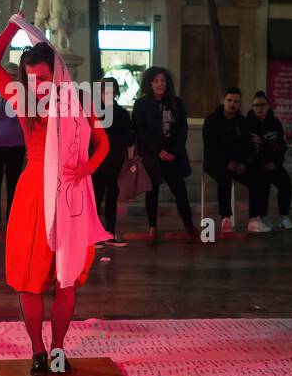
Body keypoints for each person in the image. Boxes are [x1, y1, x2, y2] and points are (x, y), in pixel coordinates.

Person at [0, 15, 110, 376]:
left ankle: (58, 349)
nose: (36, 83)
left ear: (56, 72)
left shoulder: (78, 100)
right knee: (29, 277)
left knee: (66, 280)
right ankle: (38, 351)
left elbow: (103, 144)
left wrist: (87, 168)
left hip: (70, 194)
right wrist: (13, 25)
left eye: (42, 75)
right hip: (34, 194)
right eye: (31, 76)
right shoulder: (24, 101)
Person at [132, 67, 196, 245]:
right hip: (153, 156)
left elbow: (182, 129)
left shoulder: (176, 103)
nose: (160, 84)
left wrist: (172, 151)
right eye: (156, 81)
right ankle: (152, 228)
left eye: (163, 81)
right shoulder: (141, 104)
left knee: (180, 192)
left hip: (173, 156)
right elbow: (140, 132)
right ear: (149, 83)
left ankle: (189, 227)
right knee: (152, 192)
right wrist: (158, 151)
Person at [203, 88, 265, 234]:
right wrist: (227, 163)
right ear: (223, 101)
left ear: (240, 103)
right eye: (229, 100)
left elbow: (248, 146)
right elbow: (211, 147)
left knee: (256, 177)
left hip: (237, 163)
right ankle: (226, 218)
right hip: (215, 162)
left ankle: (254, 219)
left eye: (236, 101)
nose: (232, 104)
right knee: (224, 179)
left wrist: (243, 163)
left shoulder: (242, 122)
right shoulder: (212, 120)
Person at [91, 77, 134, 247]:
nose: (107, 95)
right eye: (104, 92)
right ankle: (94, 234)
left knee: (111, 198)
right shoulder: (93, 111)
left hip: (114, 162)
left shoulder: (121, 113)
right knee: (96, 197)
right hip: (97, 162)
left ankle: (109, 232)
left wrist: (111, 138)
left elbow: (130, 137)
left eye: (110, 91)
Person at [0, 66, 26, 231]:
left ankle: (12, 218)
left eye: (14, 76)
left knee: (13, 185)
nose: (10, 78)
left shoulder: (22, 95)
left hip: (16, 145)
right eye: (8, 75)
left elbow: (25, 117)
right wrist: (1, 97)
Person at [248, 90, 292, 230]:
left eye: (262, 104)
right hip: (256, 164)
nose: (259, 108)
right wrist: (261, 162)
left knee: (286, 182)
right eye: (256, 105)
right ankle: (259, 217)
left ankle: (284, 217)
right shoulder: (248, 124)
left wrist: (274, 162)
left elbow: (282, 146)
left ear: (268, 106)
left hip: (273, 163)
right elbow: (247, 148)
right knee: (261, 183)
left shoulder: (275, 123)